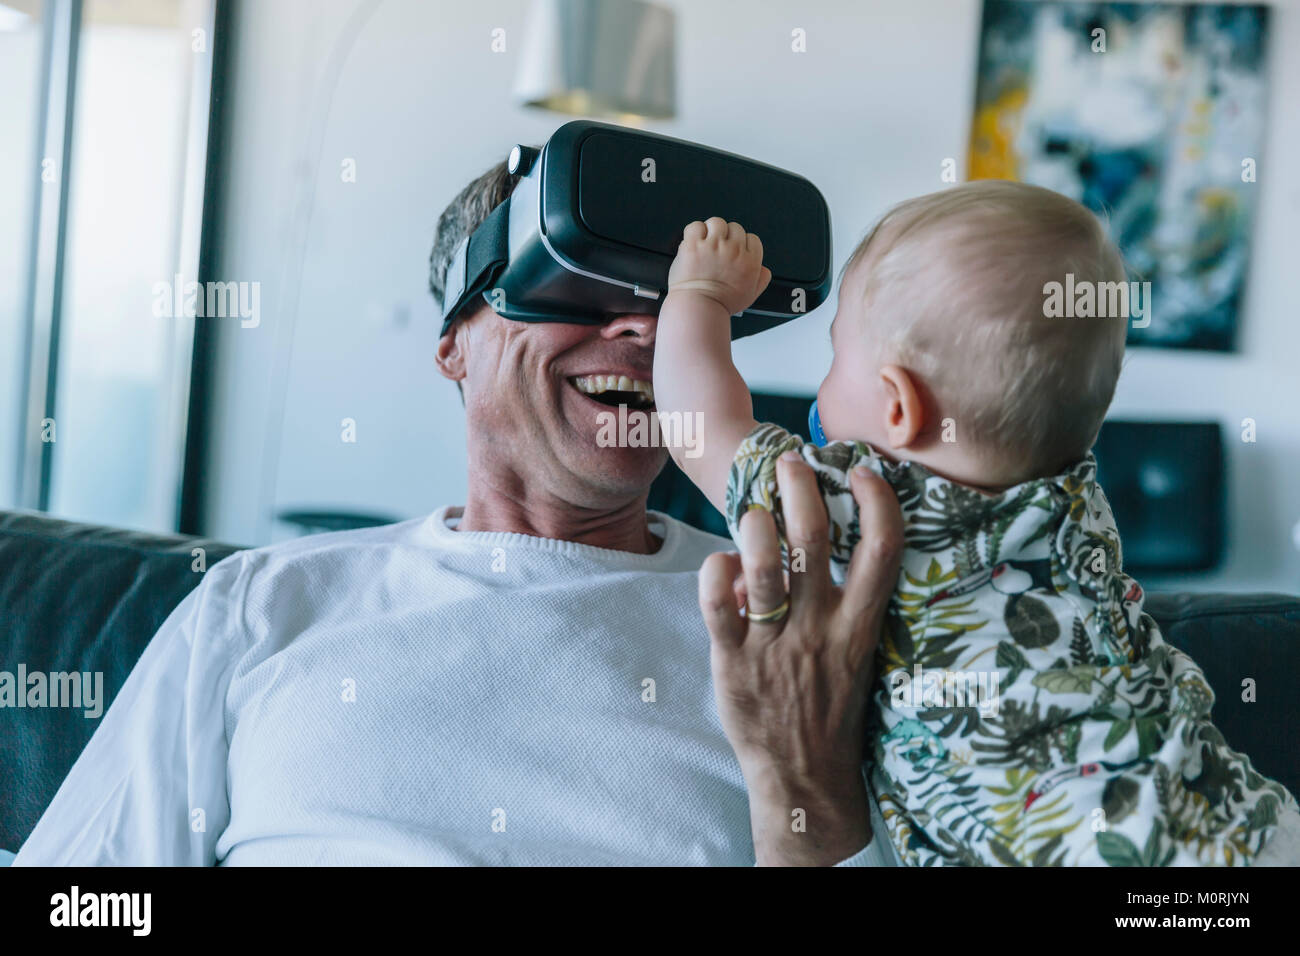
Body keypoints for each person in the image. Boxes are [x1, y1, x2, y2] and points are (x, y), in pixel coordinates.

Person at [12, 160, 904, 867]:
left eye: (670, 304)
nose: (641, 331)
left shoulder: (802, 611)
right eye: (580, 285)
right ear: (455, 346)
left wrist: (808, 784)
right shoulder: (262, 605)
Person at [652, 181, 1300, 866]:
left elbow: (700, 425)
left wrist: (700, 296)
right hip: (1244, 823)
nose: (824, 382)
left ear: (898, 407)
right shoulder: (1079, 504)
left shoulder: (855, 503)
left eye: (838, 356)